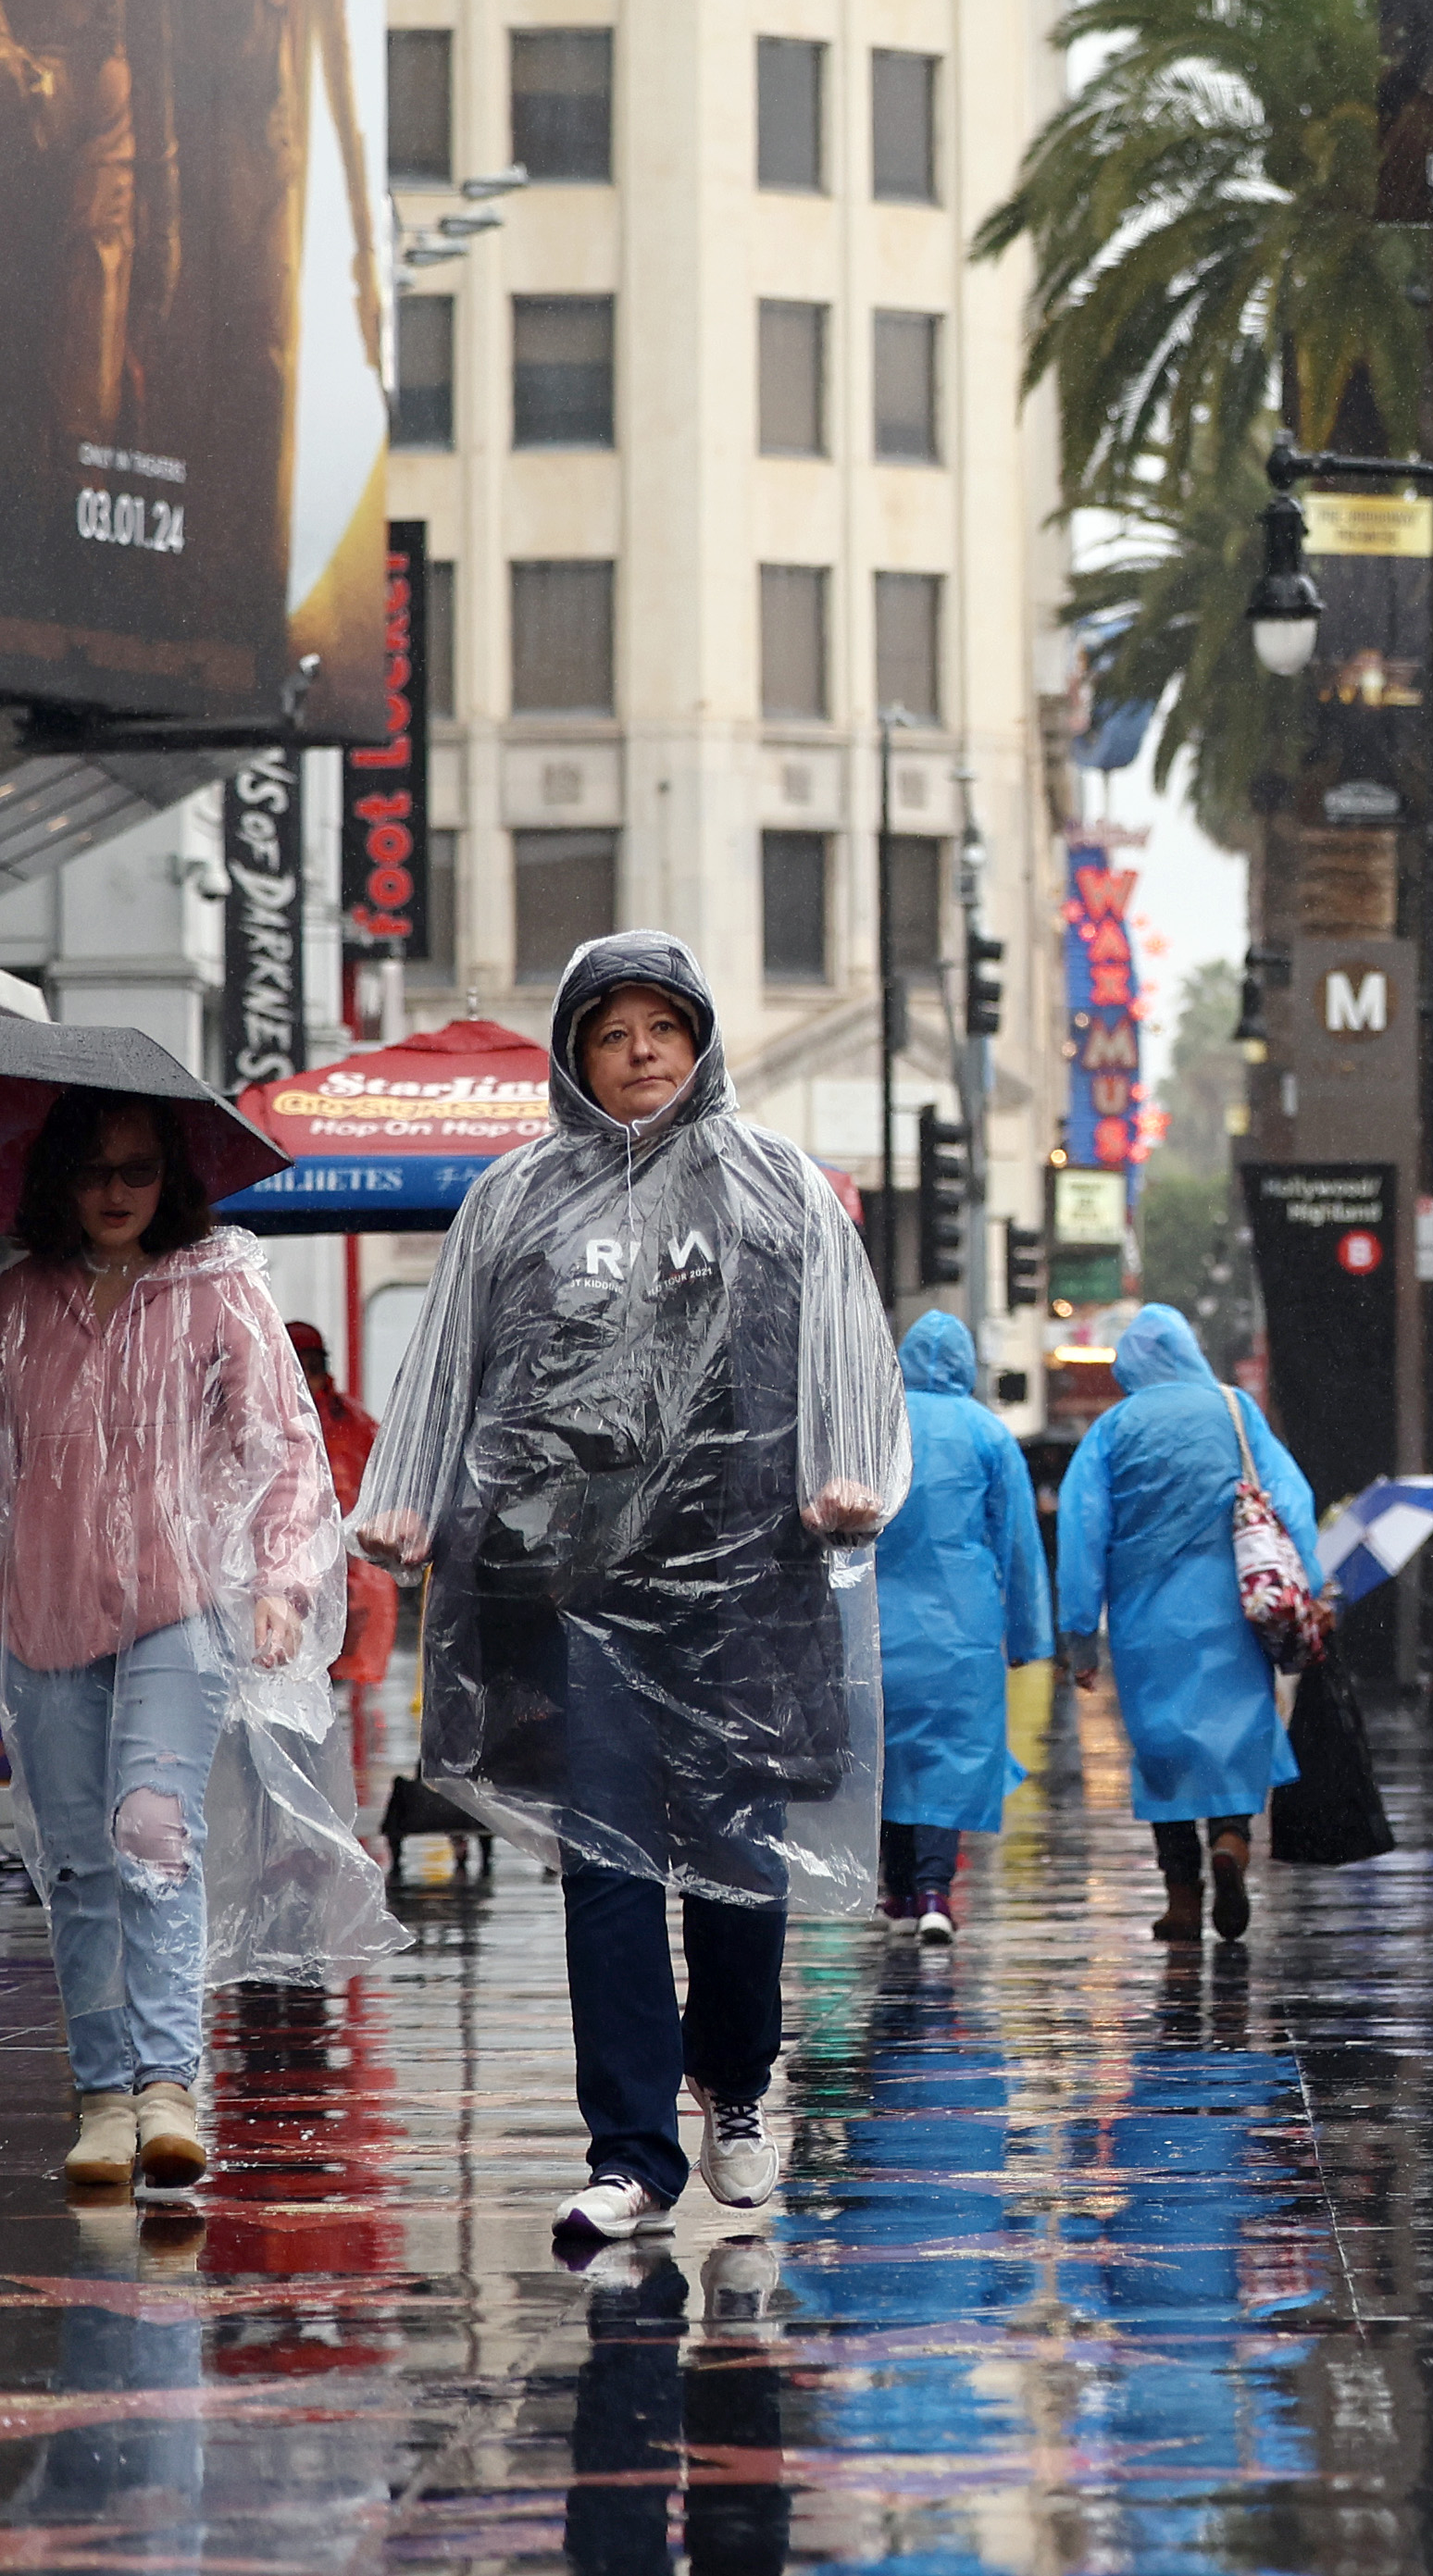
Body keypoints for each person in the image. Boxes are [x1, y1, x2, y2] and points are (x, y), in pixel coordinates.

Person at [351, 936, 904, 2252]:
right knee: (603, 1869)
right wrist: (406, 1491)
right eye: (615, 1031)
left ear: (703, 1041)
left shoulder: (780, 1189)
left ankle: (739, 2085)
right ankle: (631, 2154)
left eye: (667, 1026)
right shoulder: (515, 1200)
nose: (644, 1050)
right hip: (569, 1587)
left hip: (743, 1582)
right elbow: (449, 1362)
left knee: (731, 1863)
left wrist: (850, 1476)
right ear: (575, 1053)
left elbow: (847, 1348)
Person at [0, 1091, 347, 2196]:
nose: (116, 1190)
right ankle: (103, 2093)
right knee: (75, 1858)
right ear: (59, 1177)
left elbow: (285, 1446)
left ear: (171, 1179)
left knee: (153, 1829)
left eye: (139, 1169)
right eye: (96, 1169)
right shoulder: (11, 1301)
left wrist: (283, 1583)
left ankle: (168, 2085)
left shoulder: (219, 1290)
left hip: (177, 1604)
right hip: (42, 1613)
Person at [1053, 1307, 1311, 1947]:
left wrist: (1080, 1634)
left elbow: (1083, 1531)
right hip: (1232, 1609)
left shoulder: (1114, 1429)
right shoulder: (1234, 1410)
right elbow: (1291, 1496)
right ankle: (1230, 1841)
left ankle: (1182, 1900)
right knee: (1233, 1740)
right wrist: (1312, 1583)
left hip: (1149, 1622)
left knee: (1165, 1755)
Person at [873, 1311, 1052, 1943]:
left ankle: (894, 1891)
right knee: (946, 1761)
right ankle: (934, 1891)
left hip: (879, 1626)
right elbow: (1018, 1544)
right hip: (962, 1626)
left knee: (888, 1758)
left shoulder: (875, 1425)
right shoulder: (988, 1433)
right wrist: (1031, 1636)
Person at [290, 1322, 400, 1700]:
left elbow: (389, 1480)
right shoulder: (266, 1419)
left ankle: (351, 1756)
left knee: (351, 1692)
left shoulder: (353, 1421)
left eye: (312, 1365)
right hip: (296, 1575)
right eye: (297, 1365)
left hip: (355, 1577)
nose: (306, 1376)